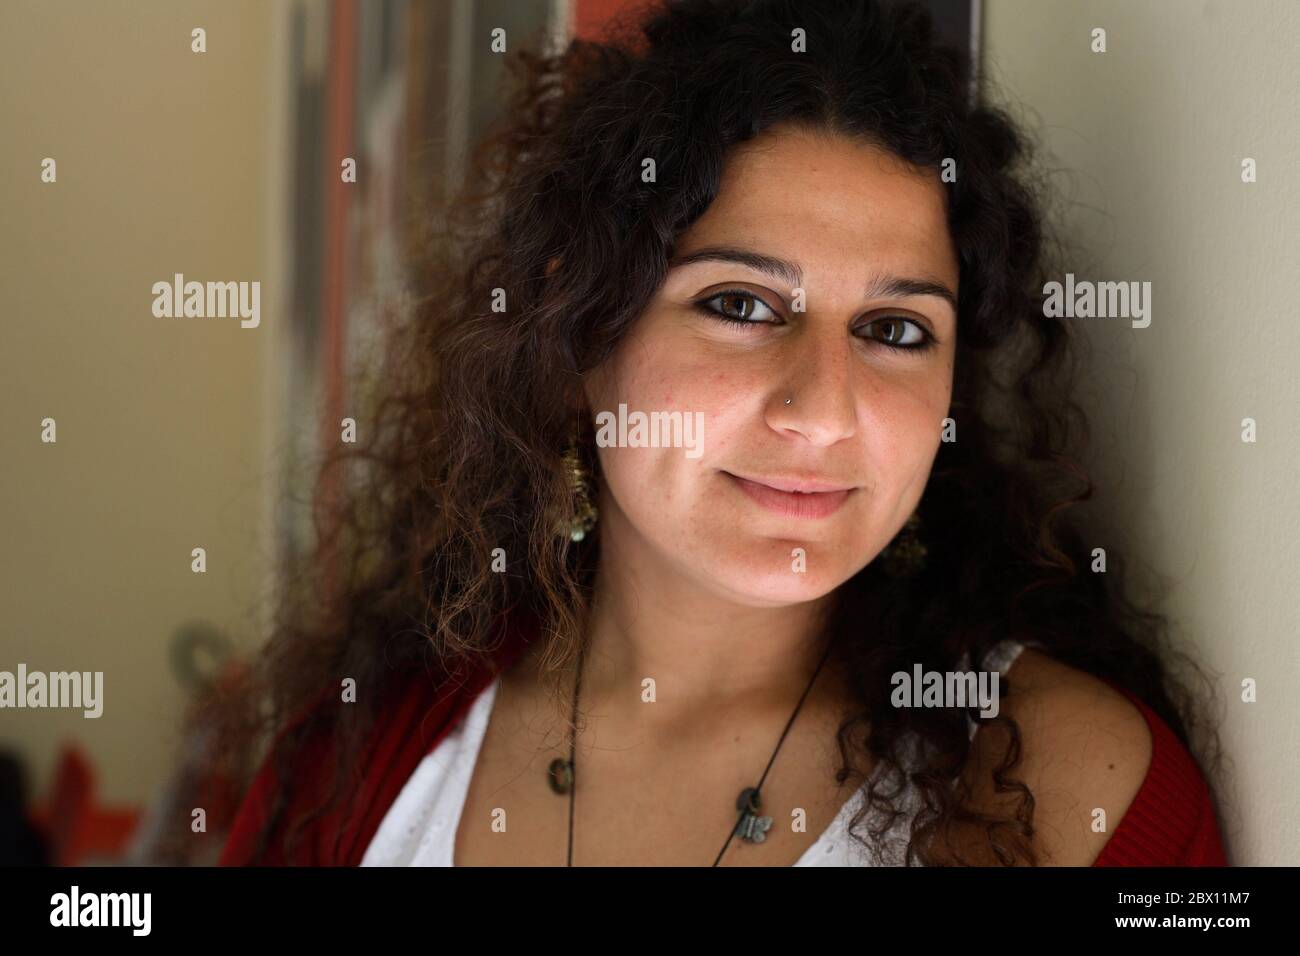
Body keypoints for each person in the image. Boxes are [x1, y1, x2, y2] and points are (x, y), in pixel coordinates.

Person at [212, 0, 1226, 867]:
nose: (822, 408)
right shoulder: (350, 761)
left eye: (895, 329)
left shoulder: (1070, 787)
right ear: (578, 344)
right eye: (740, 304)